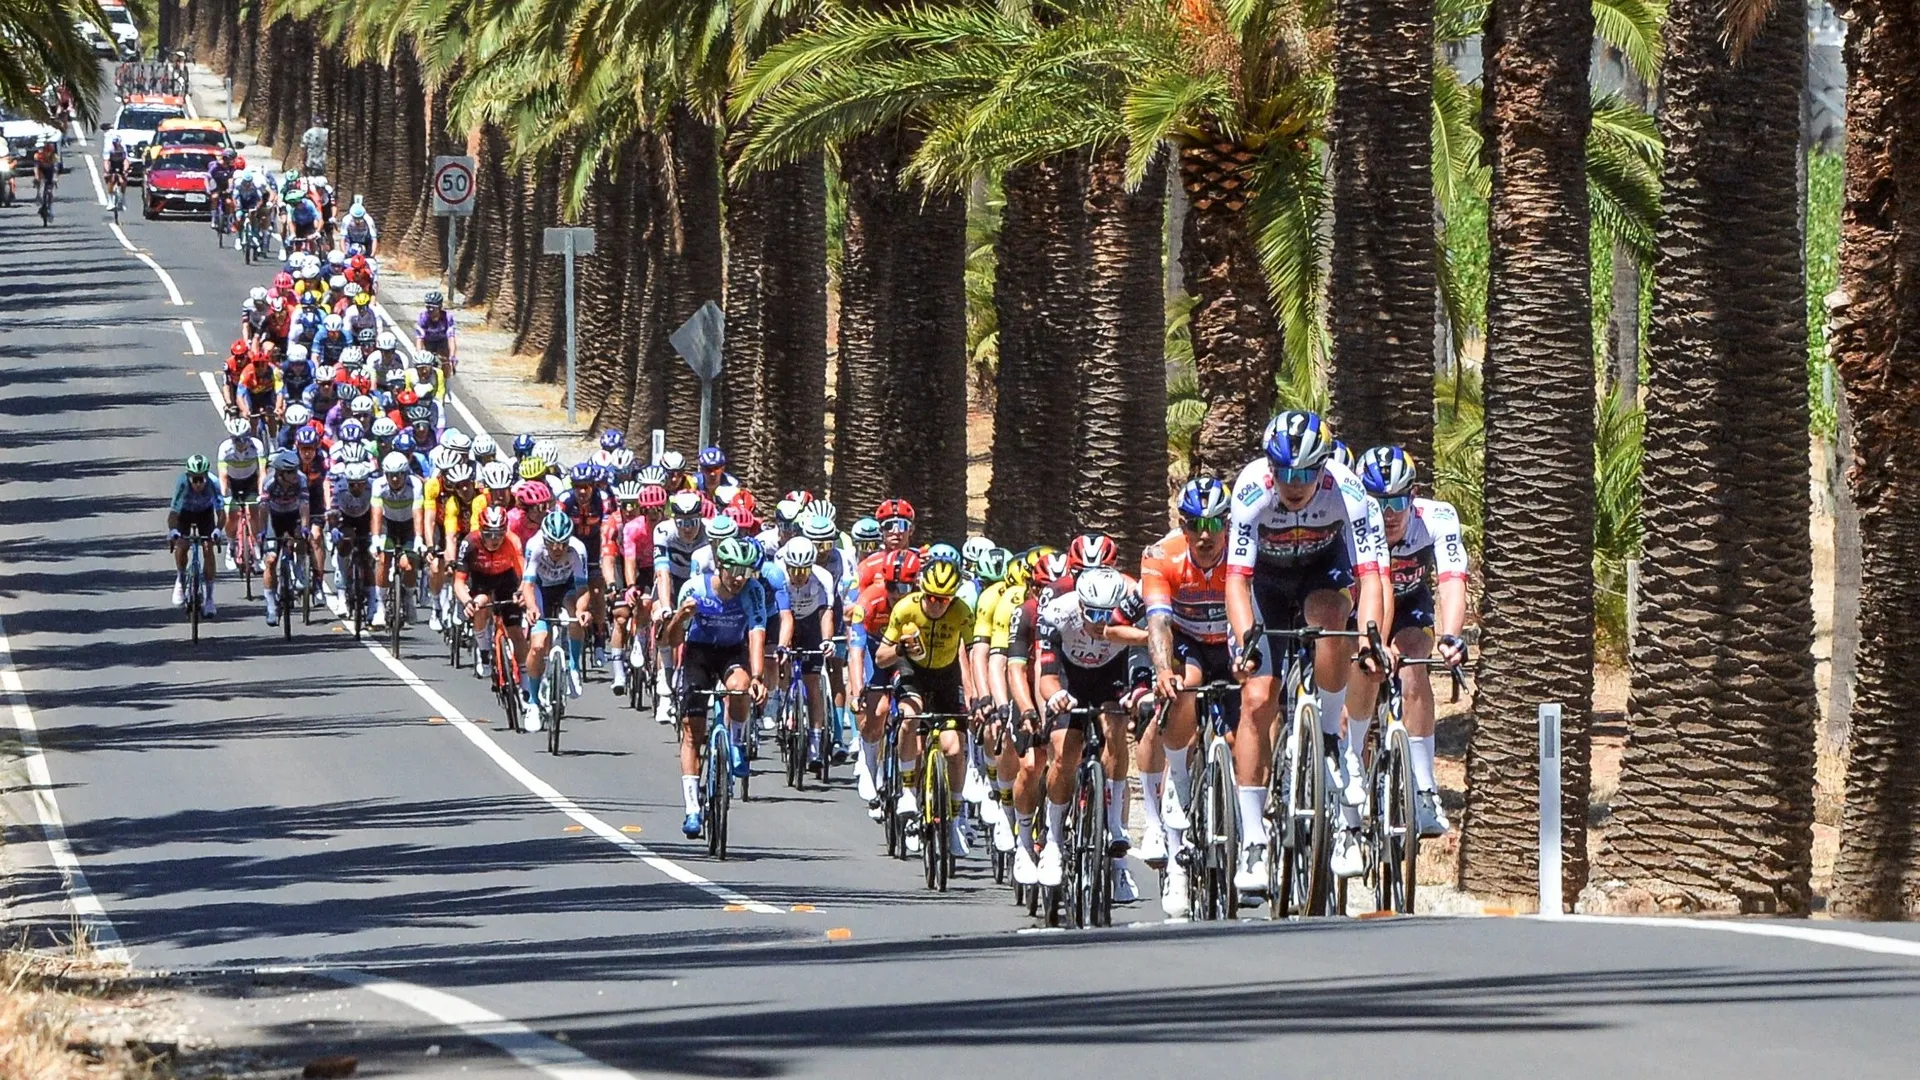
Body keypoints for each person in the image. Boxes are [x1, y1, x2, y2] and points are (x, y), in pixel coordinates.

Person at [1224, 410, 1388, 891]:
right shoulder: (1252, 489)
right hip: (1266, 586)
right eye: (1285, 472)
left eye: (1306, 473)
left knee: (1332, 617)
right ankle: (1254, 840)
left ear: (1324, 469)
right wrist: (1249, 636)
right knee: (1257, 697)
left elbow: (1372, 574)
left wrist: (1370, 635)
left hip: (1322, 572)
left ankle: (1333, 741)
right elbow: (1236, 580)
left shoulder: (1348, 490)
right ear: (1269, 466)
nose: (1294, 484)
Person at [1346, 446, 1469, 838]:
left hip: (1410, 604)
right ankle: (1350, 781)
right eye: (1378, 502)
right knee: (1361, 676)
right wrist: (1373, 646)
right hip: (1361, 602)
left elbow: (1451, 581)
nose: (1389, 513)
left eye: (1398, 501)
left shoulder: (1438, 517)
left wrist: (1451, 636)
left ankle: (1424, 791)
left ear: (1413, 494)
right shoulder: (1348, 521)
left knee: (1415, 668)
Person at [1142, 476, 1235, 915]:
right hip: (1188, 643)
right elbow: (1158, 621)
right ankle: (1178, 781)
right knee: (1186, 684)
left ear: (1227, 523)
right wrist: (1162, 670)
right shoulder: (1162, 556)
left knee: (1247, 728)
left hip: (1234, 642)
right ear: (1182, 524)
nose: (1205, 533)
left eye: (1214, 523)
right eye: (1195, 523)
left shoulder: (1242, 550)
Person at [660, 537, 770, 839]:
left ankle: (735, 744)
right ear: (719, 566)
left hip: (731, 652)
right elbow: (669, 641)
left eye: (746, 571)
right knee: (692, 730)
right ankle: (693, 808)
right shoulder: (695, 587)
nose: (739, 578)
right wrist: (682, 616)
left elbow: (757, 633)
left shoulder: (752, 591)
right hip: (698, 654)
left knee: (740, 686)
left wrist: (758, 675)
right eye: (733, 569)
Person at [873, 558, 978, 858]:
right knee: (909, 716)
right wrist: (900, 648)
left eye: (943, 599)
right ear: (921, 590)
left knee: (954, 750)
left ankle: (955, 819)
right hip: (912, 671)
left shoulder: (962, 612)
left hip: (947, 677)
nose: (936, 605)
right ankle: (908, 792)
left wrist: (974, 695)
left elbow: (972, 654)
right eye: (931, 597)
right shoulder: (905, 608)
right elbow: (881, 657)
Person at [519, 510, 593, 718]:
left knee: (575, 614)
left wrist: (581, 611)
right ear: (545, 539)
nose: (558, 548)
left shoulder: (578, 549)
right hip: (541, 590)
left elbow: (582, 588)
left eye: (563, 543)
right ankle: (533, 702)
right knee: (539, 644)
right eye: (552, 543)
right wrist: (532, 608)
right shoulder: (534, 546)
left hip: (566, 587)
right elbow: (527, 585)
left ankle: (574, 666)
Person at [455, 506, 527, 681]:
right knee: (480, 605)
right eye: (489, 534)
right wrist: (467, 602)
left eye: (499, 534)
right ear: (481, 531)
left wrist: (521, 592)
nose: (494, 539)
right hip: (481, 579)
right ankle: (484, 650)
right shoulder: (470, 543)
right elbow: (458, 582)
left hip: (506, 579)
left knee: (515, 630)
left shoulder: (512, 541)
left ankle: (525, 681)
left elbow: (524, 573)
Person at [258, 449, 311, 626]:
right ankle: (271, 605)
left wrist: (304, 527)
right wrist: (262, 531)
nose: (294, 474)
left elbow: (304, 505)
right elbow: (264, 509)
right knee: (271, 560)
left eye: (296, 470)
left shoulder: (301, 479)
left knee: (301, 537)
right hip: (275, 517)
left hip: (293, 514)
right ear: (280, 473)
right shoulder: (269, 482)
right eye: (290, 472)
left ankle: (298, 569)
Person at [167, 455, 225, 615]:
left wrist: (218, 530)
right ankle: (180, 579)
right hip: (185, 513)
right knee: (182, 545)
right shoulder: (182, 483)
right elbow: (173, 513)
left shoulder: (213, 483)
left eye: (202, 479)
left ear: (206, 476)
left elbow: (221, 511)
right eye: (195, 479)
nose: (198, 483)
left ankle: (210, 598)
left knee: (208, 548)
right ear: (189, 476)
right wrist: (173, 531)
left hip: (205, 514)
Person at [416, 291, 458, 372]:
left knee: (446, 362)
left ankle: (446, 380)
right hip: (428, 342)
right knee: (423, 364)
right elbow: (419, 338)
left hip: (442, 342)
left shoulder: (447, 317)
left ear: (440, 307)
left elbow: (451, 337)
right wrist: (419, 354)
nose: (430, 310)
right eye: (428, 307)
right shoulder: (423, 317)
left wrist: (452, 355)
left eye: (433, 308)